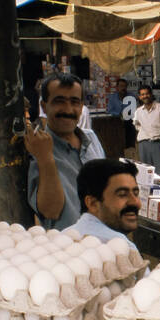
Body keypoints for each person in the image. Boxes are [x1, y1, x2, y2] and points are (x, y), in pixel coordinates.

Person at [25, 72, 106, 230]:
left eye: (74, 102)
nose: (68, 110)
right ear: (44, 106)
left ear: (81, 106)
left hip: (104, 237)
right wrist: (46, 158)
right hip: (68, 243)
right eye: (59, 101)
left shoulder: (91, 139)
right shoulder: (38, 148)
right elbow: (51, 212)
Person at [67, 158, 141, 247]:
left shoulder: (64, 235)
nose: (135, 202)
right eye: (122, 194)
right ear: (93, 203)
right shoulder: (123, 248)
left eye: (136, 194)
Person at [133, 85, 160, 174]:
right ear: (140, 97)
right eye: (142, 94)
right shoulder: (138, 111)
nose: (145, 96)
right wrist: (145, 131)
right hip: (143, 145)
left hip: (158, 144)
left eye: (147, 94)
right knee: (146, 173)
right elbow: (137, 126)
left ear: (151, 94)